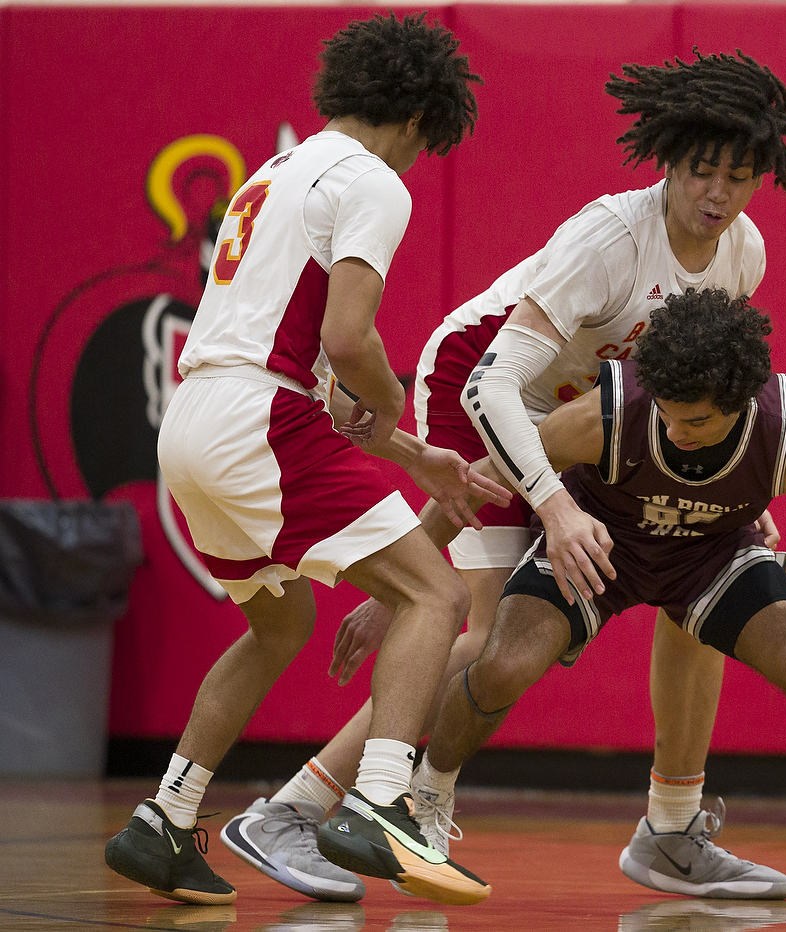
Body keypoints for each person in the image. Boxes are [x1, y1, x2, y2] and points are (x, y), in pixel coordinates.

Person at [235, 49, 786, 903]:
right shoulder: (608, 238)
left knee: (700, 577)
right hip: (477, 379)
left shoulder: (741, 254)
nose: (719, 193)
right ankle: (295, 808)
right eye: (702, 171)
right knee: (487, 637)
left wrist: (735, 489)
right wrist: (553, 509)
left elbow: (695, 386)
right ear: (668, 162)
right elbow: (492, 387)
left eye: (739, 176)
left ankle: (671, 830)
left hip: (574, 418)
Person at [345, 288, 786, 911]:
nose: (676, 430)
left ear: (739, 404)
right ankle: (427, 801)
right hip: (600, 544)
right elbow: (481, 478)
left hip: (708, 556)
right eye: (668, 412)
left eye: (696, 420)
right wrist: (396, 585)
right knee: (503, 664)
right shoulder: (612, 413)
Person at [103, 13, 512, 908]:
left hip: (193, 422)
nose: (415, 168)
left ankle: (164, 818)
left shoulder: (274, 172)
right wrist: (397, 398)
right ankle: (378, 805)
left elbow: (308, 364)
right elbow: (347, 341)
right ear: (416, 121)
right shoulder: (372, 180)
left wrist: (414, 456)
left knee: (279, 625)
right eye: (423, 149)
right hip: (262, 419)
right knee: (436, 597)